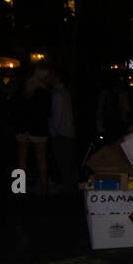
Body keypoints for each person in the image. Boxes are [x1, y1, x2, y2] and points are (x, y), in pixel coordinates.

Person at [13, 66, 51, 195]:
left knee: (21, 158)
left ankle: (19, 188)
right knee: (41, 158)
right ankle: (44, 188)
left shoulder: (23, 89)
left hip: (22, 128)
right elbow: (47, 112)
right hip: (38, 128)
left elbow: (16, 109)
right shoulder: (44, 92)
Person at [41, 66, 78, 196]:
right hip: (67, 133)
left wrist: (52, 132)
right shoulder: (64, 92)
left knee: (64, 165)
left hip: (61, 134)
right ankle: (70, 190)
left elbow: (57, 117)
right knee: (68, 165)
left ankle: (68, 191)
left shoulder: (57, 94)